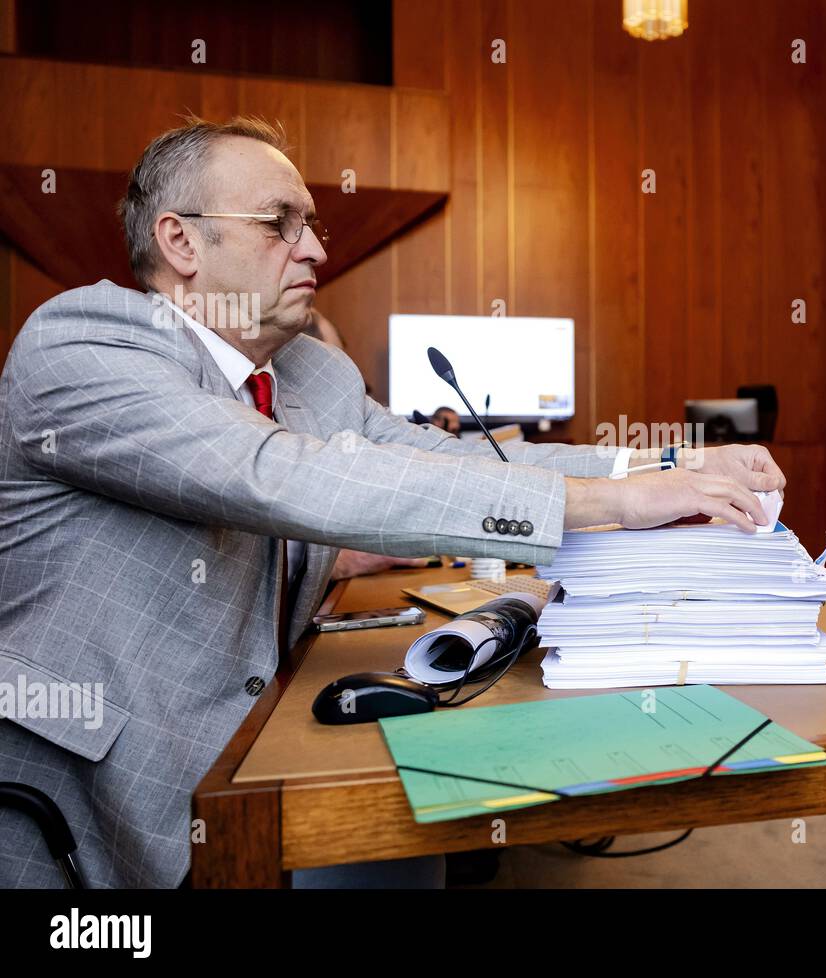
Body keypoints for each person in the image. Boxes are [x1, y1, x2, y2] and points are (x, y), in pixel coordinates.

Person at [0, 116, 784, 888]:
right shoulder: (84, 343)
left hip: (255, 760)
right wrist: (614, 504)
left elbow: (452, 455)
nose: (314, 248)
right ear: (181, 242)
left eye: (313, 225)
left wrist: (671, 460)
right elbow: (273, 471)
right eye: (280, 223)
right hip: (85, 809)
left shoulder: (314, 373)